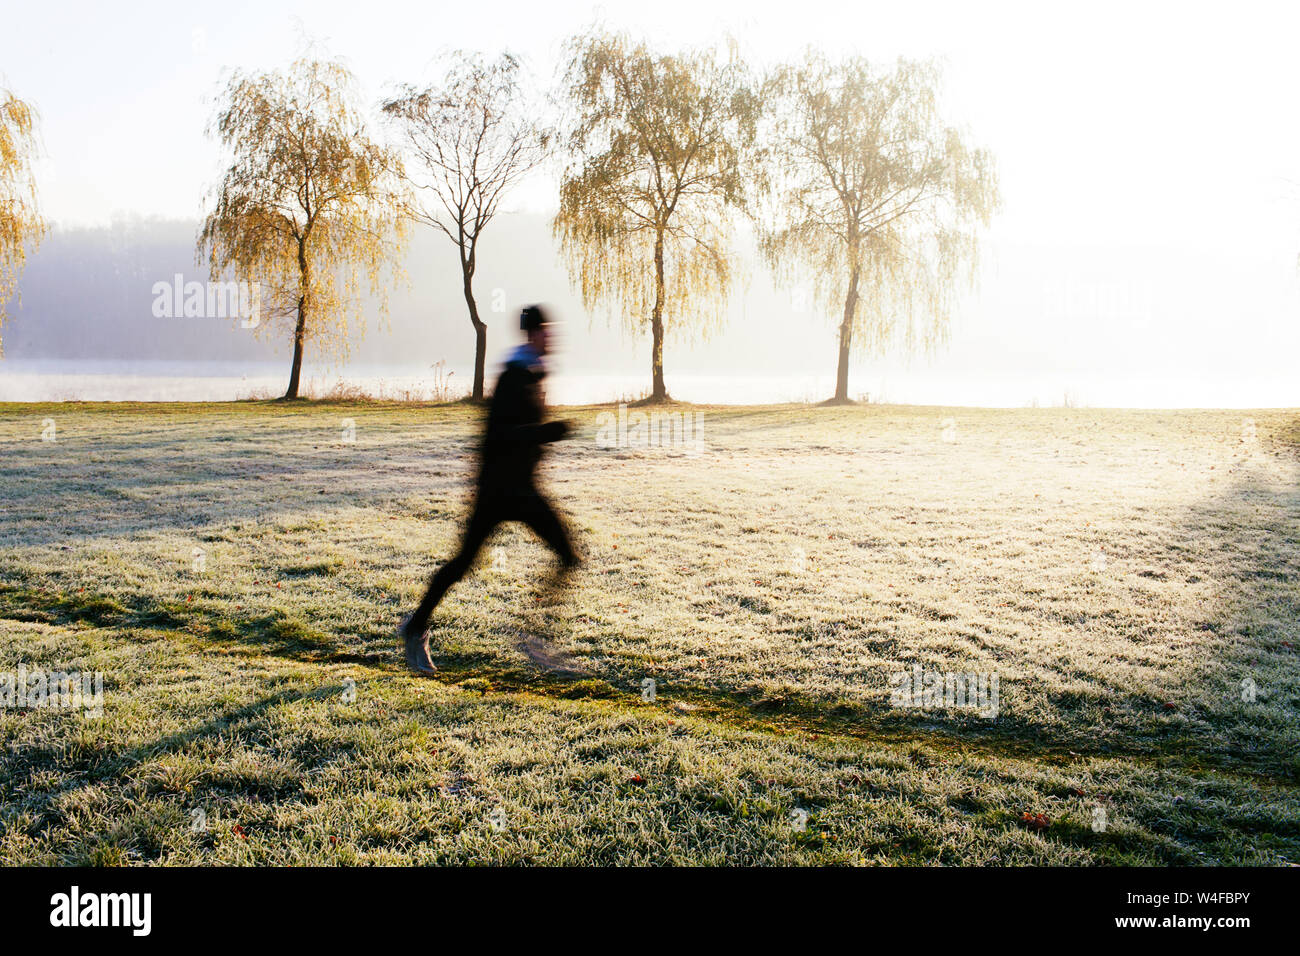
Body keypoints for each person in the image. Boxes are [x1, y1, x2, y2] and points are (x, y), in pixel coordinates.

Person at [400, 304, 580, 674]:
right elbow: (502, 435)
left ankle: (536, 640)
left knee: (568, 554)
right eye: (548, 330)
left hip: (523, 489)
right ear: (534, 334)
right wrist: (550, 432)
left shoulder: (532, 371)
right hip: (498, 491)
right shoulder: (514, 376)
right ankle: (415, 628)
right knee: (463, 564)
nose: (553, 337)